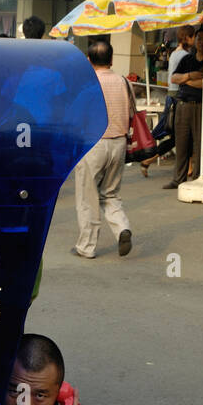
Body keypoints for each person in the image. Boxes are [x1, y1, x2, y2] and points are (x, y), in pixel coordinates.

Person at [71, 39, 133, 259]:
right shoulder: (124, 82)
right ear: (112, 59)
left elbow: (76, 117)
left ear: (89, 61)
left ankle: (86, 246)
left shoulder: (87, 85)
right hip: (119, 143)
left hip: (94, 145)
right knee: (110, 193)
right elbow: (132, 113)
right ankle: (122, 227)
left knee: (87, 197)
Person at [139, 25, 194, 178]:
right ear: (187, 38)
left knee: (178, 137)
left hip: (173, 97)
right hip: (178, 98)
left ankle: (149, 161)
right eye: (194, 37)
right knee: (181, 135)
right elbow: (180, 78)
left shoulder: (175, 53)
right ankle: (149, 160)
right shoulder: (184, 55)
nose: (195, 40)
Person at [165, 31, 203, 188]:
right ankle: (178, 179)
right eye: (199, 39)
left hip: (202, 105)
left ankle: (202, 177)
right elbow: (174, 78)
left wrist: (184, 81)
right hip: (183, 105)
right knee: (181, 144)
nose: (201, 42)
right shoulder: (187, 59)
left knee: (202, 145)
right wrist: (190, 76)